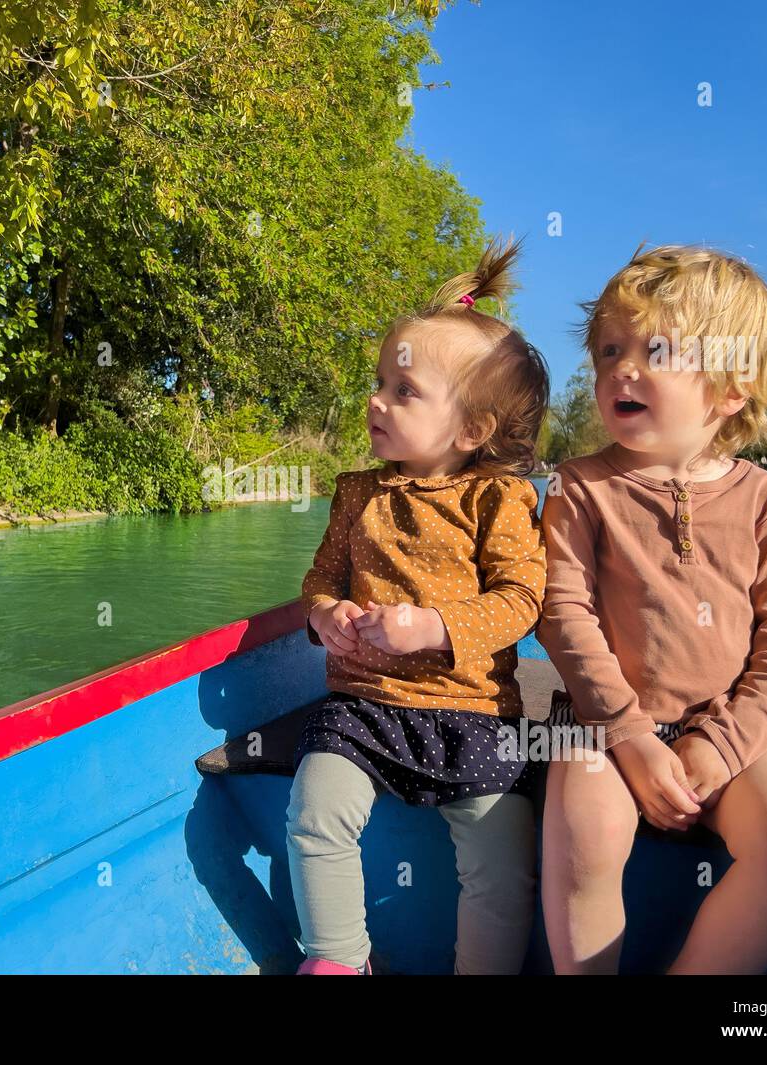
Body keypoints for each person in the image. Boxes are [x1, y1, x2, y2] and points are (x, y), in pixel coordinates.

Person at [537, 245, 767, 975]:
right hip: (603, 725)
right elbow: (562, 613)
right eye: (610, 349)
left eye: (655, 349)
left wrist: (724, 746)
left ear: (730, 390)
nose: (621, 369)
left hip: (733, 731)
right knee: (585, 823)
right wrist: (631, 735)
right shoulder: (581, 488)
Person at [288, 236, 550, 974]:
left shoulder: (498, 497)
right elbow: (319, 582)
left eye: (404, 391)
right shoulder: (355, 494)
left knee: (501, 856)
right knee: (316, 811)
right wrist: (325, 615)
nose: (377, 399)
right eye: (379, 382)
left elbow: (522, 598)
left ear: (470, 429)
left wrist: (432, 625)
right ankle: (338, 958)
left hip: (472, 710)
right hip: (363, 705)